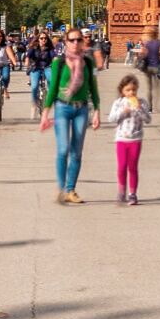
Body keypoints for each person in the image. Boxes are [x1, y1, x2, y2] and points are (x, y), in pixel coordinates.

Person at [39, 28, 101, 204]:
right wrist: (45, 113)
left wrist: (97, 111)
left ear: (82, 42)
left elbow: (93, 88)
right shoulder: (59, 63)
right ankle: (61, 188)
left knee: (77, 152)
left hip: (82, 109)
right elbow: (52, 89)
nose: (75, 43)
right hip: (62, 108)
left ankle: (71, 190)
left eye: (78, 40)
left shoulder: (88, 63)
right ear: (65, 42)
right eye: (72, 40)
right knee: (63, 149)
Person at [108, 74, 152, 205]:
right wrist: (123, 111)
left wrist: (139, 109)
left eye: (133, 90)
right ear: (122, 91)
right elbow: (111, 118)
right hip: (121, 139)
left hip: (136, 138)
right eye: (128, 90)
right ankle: (121, 191)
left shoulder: (142, 102)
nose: (131, 92)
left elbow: (148, 119)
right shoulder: (118, 103)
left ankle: (132, 193)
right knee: (121, 166)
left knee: (132, 167)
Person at [26, 31, 56, 120]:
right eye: (41, 38)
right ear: (38, 39)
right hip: (36, 68)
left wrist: (56, 62)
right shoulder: (34, 48)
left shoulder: (49, 48)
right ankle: (34, 105)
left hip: (47, 67)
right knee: (34, 86)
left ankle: (51, 100)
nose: (43, 40)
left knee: (51, 80)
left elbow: (53, 57)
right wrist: (27, 62)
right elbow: (28, 56)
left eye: (45, 38)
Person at [140, 27, 160, 112]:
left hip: (148, 68)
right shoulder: (158, 43)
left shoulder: (147, 44)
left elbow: (143, 54)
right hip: (156, 67)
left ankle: (150, 107)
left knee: (149, 88)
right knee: (157, 87)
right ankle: (158, 106)